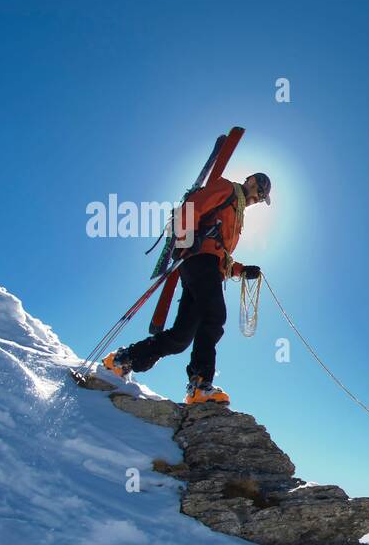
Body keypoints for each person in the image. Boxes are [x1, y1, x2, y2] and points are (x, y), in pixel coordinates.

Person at [103, 172, 271, 404]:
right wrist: (186, 240)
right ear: (251, 180)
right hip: (199, 260)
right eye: (260, 192)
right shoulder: (227, 190)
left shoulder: (237, 214)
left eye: (262, 198)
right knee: (214, 316)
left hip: (207, 264)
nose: (259, 199)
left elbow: (220, 253)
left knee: (182, 336)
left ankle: (124, 359)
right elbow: (192, 208)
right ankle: (200, 384)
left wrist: (241, 270)